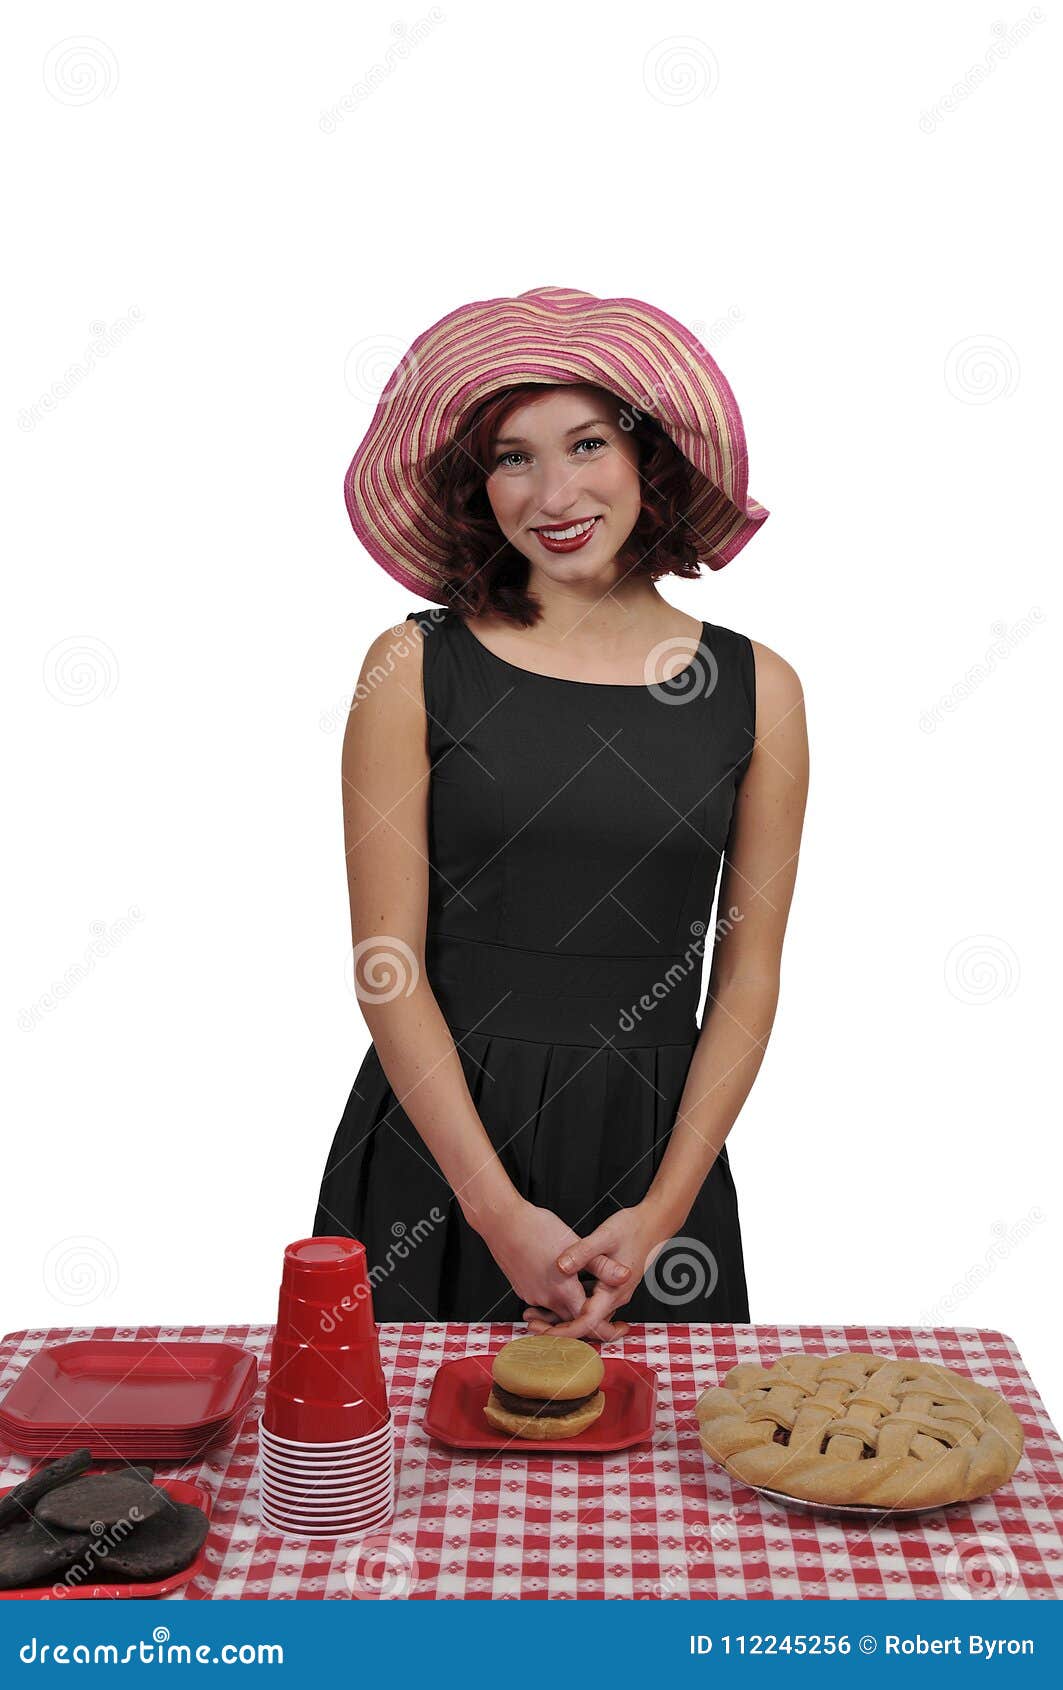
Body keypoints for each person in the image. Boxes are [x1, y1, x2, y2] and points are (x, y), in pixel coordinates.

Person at [314, 285, 808, 1342]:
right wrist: (496, 1216)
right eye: (513, 457)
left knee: (673, 1448)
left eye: (588, 444)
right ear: (476, 485)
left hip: (658, 1162)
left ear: (646, 459)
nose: (554, 492)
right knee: (400, 1447)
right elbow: (385, 964)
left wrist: (661, 1215)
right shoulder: (411, 666)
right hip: (439, 1154)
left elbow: (748, 976)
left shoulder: (759, 688)